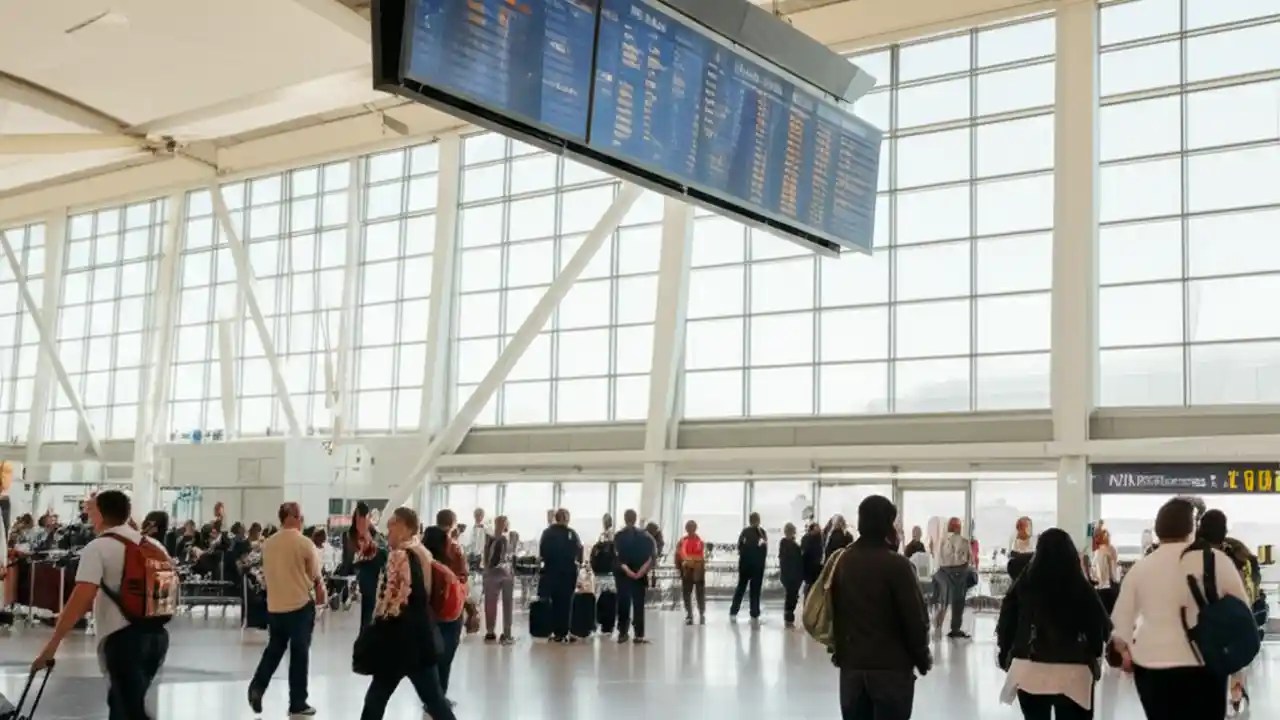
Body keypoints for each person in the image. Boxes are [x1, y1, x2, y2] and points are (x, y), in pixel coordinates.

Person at [31, 490, 171, 720]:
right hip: (157, 637)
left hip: (123, 639)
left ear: (101, 514)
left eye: (91, 510)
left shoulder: (99, 547)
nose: (88, 516)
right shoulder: (154, 545)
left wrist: (52, 646)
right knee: (123, 705)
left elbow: (81, 598)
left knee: (128, 710)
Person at [1111, 498, 1248, 720]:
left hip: (1152, 665)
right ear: (1192, 528)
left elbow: (1121, 628)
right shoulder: (1215, 561)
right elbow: (1241, 613)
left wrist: (1125, 653)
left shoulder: (1141, 567)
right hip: (1204, 663)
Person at [831, 495, 930, 720]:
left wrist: (840, 651)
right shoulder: (898, 565)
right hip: (891, 671)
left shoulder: (843, 562)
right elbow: (915, 618)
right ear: (887, 524)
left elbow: (835, 610)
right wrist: (921, 657)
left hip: (852, 668)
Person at [997, 528, 1112, 720]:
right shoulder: (1080, 585)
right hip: (1074, 671)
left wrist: (1005, 654)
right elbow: (1100, 625)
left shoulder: (1025, 583)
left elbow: (1007, 619)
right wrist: (1095, 655)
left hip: (1029, 668)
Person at [358, 507, 457, 720]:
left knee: (376, 697)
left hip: (398, 639)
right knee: (434, 700)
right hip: (421, 635)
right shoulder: (422, 551)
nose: (388, 528)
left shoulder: (400, 555)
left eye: (392, 523)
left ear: (404, 527)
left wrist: (376, 621)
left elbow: (392, 600)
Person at [248, 502, 326, 717]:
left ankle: (257, 686)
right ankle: (298, 702)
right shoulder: (304, 543)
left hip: (275, 606)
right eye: (300, 516)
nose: (302, 520)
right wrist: (321, 597)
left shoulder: (269, 544)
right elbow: (315, 576)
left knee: (274, 650)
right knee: (299, 654)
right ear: (291, 516)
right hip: (300, 606)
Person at [1190, 510, 1257, 715]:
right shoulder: (1224, 558)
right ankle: (1236, 693)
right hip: (1218, 631)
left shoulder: (1183, 557)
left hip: (1187, 634)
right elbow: (1242, 603)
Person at [538, 508, 583, 644]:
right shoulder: (571, 533)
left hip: (551, 571)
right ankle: (563, 631)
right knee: (566, 603)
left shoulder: (547, 533)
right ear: (566, 518)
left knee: (553, 602)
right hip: (568, 572)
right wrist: (579, 564)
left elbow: (542, 551)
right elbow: (579, 551)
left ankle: (553, 631)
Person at [613, 509, 656, 644]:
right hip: (640, 575)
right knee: (638, 604)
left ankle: (623, 633)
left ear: (625, 519)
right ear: (635, 518)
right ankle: (639, 635)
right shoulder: (646, 536)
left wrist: (628, 571)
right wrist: (640, 572)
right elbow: (651, 557)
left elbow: (618, 557)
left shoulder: (619, 536)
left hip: (623, 576)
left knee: (623, 602)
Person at [344, 502, 386, 629]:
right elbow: (349, 556)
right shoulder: (353, 533)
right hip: (366, 572)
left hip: (370, 571)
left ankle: (367, 631)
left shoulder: (370, 532)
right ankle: (366, 631)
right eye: (358, 517)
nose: (360, 521)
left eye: (362, 517)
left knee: (370, 605)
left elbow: (383, 551)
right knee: (369, 605)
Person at [934, 517, 973, 639]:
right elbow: (967, 559)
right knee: (947, 600)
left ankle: (951, 628)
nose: (957, 528)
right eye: (955, 525)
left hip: (955, 572)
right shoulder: (946, 541)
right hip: (949, 572)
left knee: (954, 601)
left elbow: (967, 558)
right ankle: (943, 626)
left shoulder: (960, 541)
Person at [482, 515, 516, 645]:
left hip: (497, 573)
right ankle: (505, 633)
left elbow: (487, 558)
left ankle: (493, 632)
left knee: (491, 603)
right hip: (502, 573)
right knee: (503, 603)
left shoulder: (493, 539)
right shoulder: (496, 539)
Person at [730, 512, 768, 622]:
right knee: (755, 589)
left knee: (741, 587)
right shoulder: (761, 533)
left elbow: (740, 547)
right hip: (757, 565)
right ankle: (754, 611)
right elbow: (763, 549)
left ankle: (734, 609)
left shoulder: (745, 532)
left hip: (746, 564)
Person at [675, 520, 706, 626]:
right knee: (698, 592)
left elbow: (678, 556)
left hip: (689, 570)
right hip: (695, 570)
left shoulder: (684, 541)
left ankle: (691, 613)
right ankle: (699, 612)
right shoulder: (699, 541)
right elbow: (701, 557)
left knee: (688, 593)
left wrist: (679, 569)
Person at [779, 522, 803, 628]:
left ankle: (788, 617)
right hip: (793, 575)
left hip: (786, 575)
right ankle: (789, 617)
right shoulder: (794, 546)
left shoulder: (783, 544)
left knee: (790, 595)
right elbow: (797, 561)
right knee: (792, 596)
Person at [1093, 528, 1119, 615]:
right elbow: (1114, 573)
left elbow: (1095, 573)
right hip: (1110, 587)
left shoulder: (1097, 553)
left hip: (1101, 588)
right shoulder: (1111, 550)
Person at [801, 521, 825, 598]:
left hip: (815, 566)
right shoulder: (808, 539)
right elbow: (805, 552)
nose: (819, 530)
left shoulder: (819, 538)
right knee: (809, 587)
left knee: (812, 587)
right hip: (810, 566)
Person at [644, 520, 664, 589]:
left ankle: (653, 587)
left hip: (653, 557)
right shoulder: (644, 534)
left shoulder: (658, 534)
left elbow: (661, 544)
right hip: (646, 558)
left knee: (654, 573)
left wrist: (658, 552)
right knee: (645, 573)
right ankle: (646, 587)